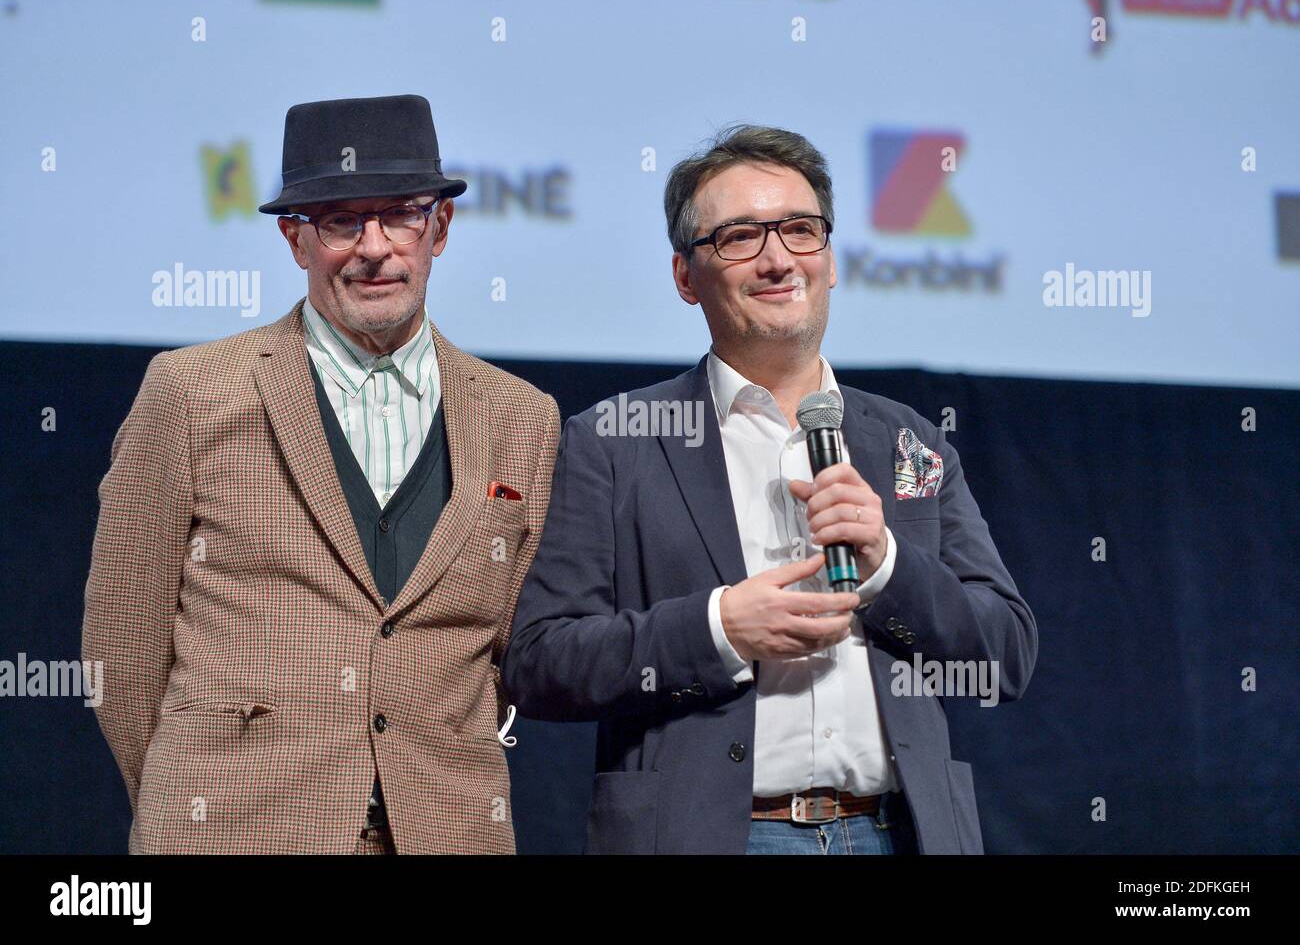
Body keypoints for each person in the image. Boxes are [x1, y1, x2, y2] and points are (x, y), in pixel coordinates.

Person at [502, 124, 1037, 855]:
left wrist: (886, 566)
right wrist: (722, 628)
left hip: (896, 832)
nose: (778, 257)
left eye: (799, 229)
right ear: (686, 277)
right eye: (740, 237)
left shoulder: (911, 441)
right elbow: (540, 663)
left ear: (832, 258)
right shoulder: (615, 439)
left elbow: (1003, 656)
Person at [83, 95, 560, 854]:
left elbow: (508, 653)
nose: (374, 246)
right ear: (295, 238)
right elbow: (121, 644)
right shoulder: (190, 391)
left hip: (447, 828)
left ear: (439, 228)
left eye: (400, 213)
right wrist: (190, 798)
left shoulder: (520, 417)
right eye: (341, 219)